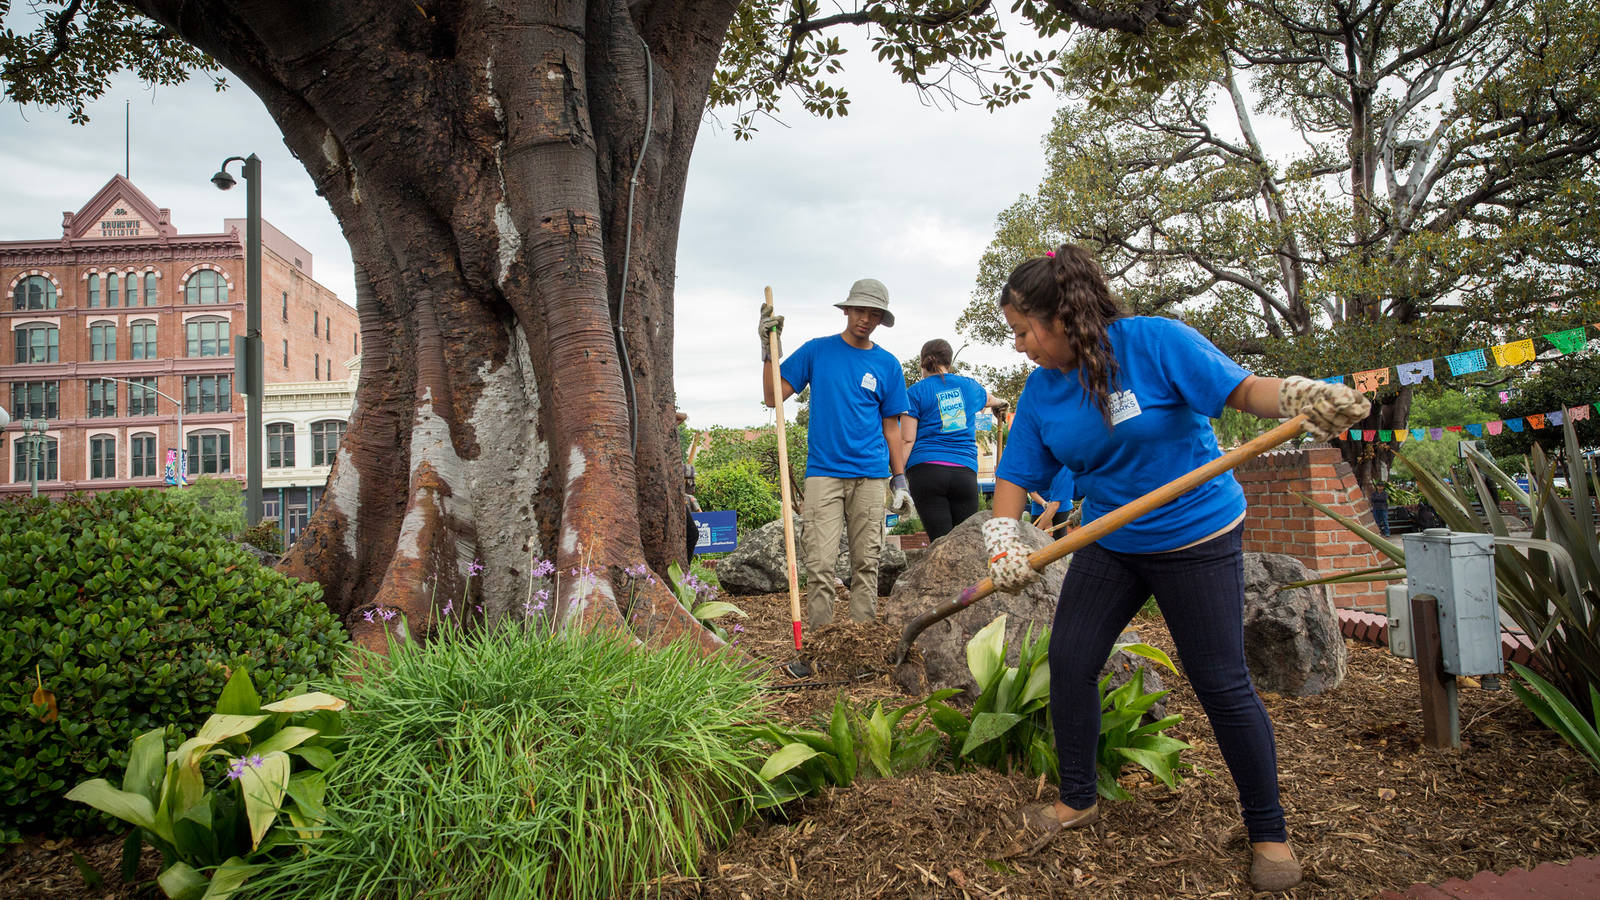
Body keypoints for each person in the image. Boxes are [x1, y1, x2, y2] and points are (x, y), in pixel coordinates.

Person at [980, 244, 1369, 893]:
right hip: (1112, 534)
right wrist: (1001, 538)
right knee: (1072, 658)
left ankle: (1269, 832)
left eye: (1024, 331)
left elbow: (1243, 389)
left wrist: (1299, 395)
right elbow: (1017, 475)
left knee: (1219, 680)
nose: (1020, 346)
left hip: (1198, 532)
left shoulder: (1156, 344)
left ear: (1061, 318)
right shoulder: (1044, 389)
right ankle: (1076, 799)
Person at [760, 278, 911, 627]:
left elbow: (892, 429)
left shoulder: (888, 365)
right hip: (824, 474)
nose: (865, 319)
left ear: (880, 319)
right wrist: (769, 352)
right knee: (820, 565)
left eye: (874, 314)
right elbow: (772, 397)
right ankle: (820, 645)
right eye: (860, 310)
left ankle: (860, 645)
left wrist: (900, 479)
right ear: (846, 310)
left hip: (871, 476)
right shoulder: (818, 351)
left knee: (866, 564)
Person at [900, 339, 1007, 542]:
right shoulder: (969, 387)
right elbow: (992, 399)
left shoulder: (914, 392)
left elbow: (907, 440)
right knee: (962, 544)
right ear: (949, 363)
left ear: (922, 363)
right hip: (963, 473)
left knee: (940, 544)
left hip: (926, 472)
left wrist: (897, 476)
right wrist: (1000, 403)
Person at [1030, 465, 1078, 533]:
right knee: (1033, 537)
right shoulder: (1032, 467)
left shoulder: (1062, 467)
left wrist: (1037, 531)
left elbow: (1056, 504)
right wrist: (1044, 504)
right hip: (1039, 507)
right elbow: (1032, 492)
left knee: (1059, 538)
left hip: (1061, 506)